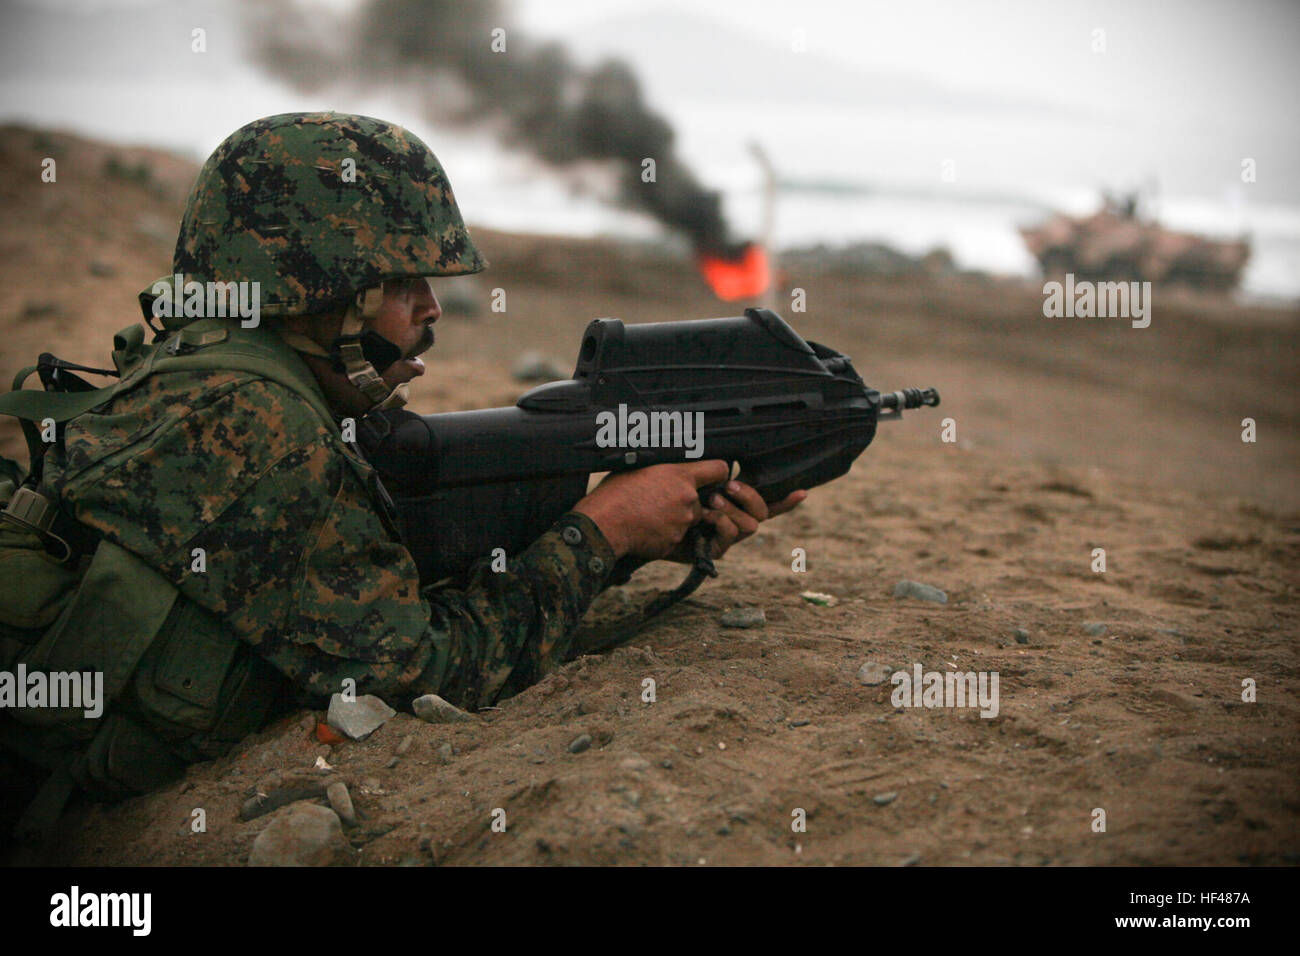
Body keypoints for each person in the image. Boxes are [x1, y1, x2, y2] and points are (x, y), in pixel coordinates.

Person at [0, 112, 803, 829]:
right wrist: (604, 531)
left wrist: (632, 537)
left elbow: (349, 583)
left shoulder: (206, 365)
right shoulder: (258, 426)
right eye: (401, 282)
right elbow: (430, 671)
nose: (430, 309)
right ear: (325, 291)